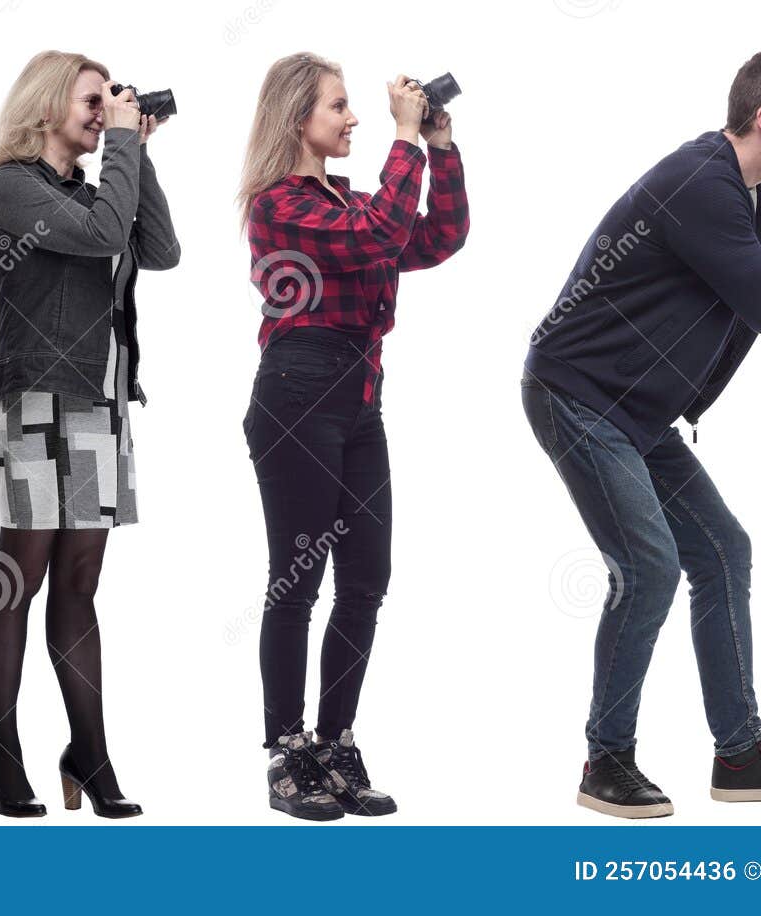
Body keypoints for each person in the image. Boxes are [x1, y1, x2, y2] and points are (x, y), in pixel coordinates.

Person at [520, 50, 761, 819]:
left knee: (723, 551)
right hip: (576, 395)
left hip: (637, 411)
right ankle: (606, 760)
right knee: (648, 566)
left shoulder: (748, 180)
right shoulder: (705, 185)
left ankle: (740, 755)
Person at [238, 52, 468, 821]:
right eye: (339, 107)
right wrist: (406, 136)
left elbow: (438, 236)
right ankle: (286, 750)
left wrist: (438, 144)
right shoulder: (278, 205)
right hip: (298, 395)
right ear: (296, 116)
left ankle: (334, 745)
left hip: (361, 401)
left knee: (367, 579)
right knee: (296, 584)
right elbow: (374, 238)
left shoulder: (354, 202)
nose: (354, 118)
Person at [0, 49, 179, 818]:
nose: (103, 112)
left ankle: (88, 751)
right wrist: (123, 146)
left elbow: (158, 250)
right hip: (36, 396)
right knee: (20, 573)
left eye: (108, 103)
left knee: (81, 582)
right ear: (48, 103)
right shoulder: (11, 188)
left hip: (99, 398)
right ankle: (0, 748)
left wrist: (138, 150)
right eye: (92, 101)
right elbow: (98, 237)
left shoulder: (98, 188)